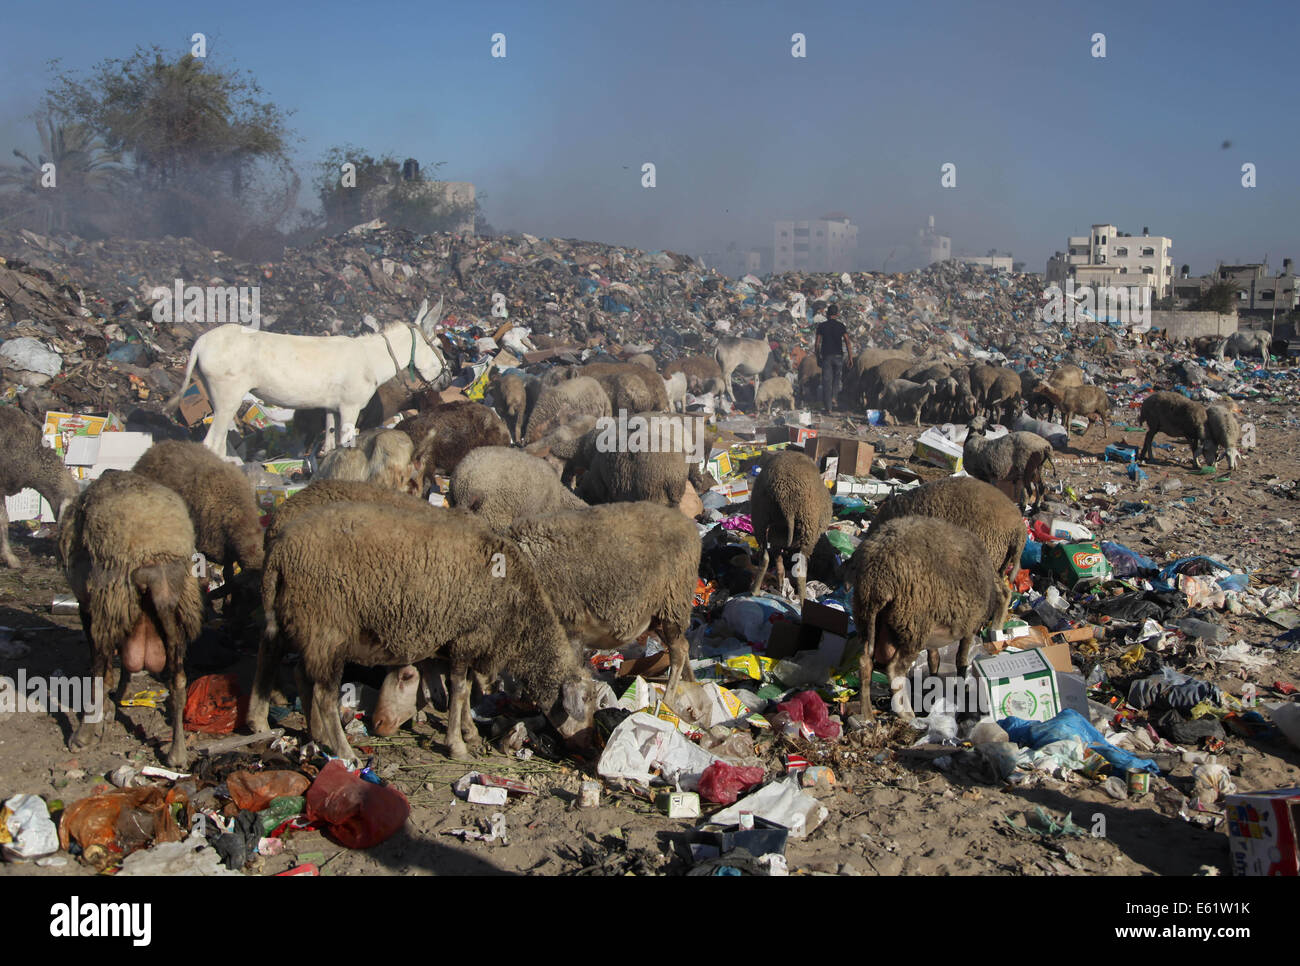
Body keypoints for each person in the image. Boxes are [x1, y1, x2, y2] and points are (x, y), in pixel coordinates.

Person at [814, 304, 852, 413]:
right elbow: (847, 342)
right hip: (839, 357)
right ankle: (834, 397)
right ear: (837, 314)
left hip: (826, 357)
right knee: (836, 379)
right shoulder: (841, 326)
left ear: (827, 314)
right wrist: (850, 358)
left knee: (826, 382)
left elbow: (817, 344)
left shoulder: (822, 326)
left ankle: (829, 408)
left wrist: (817, 357)